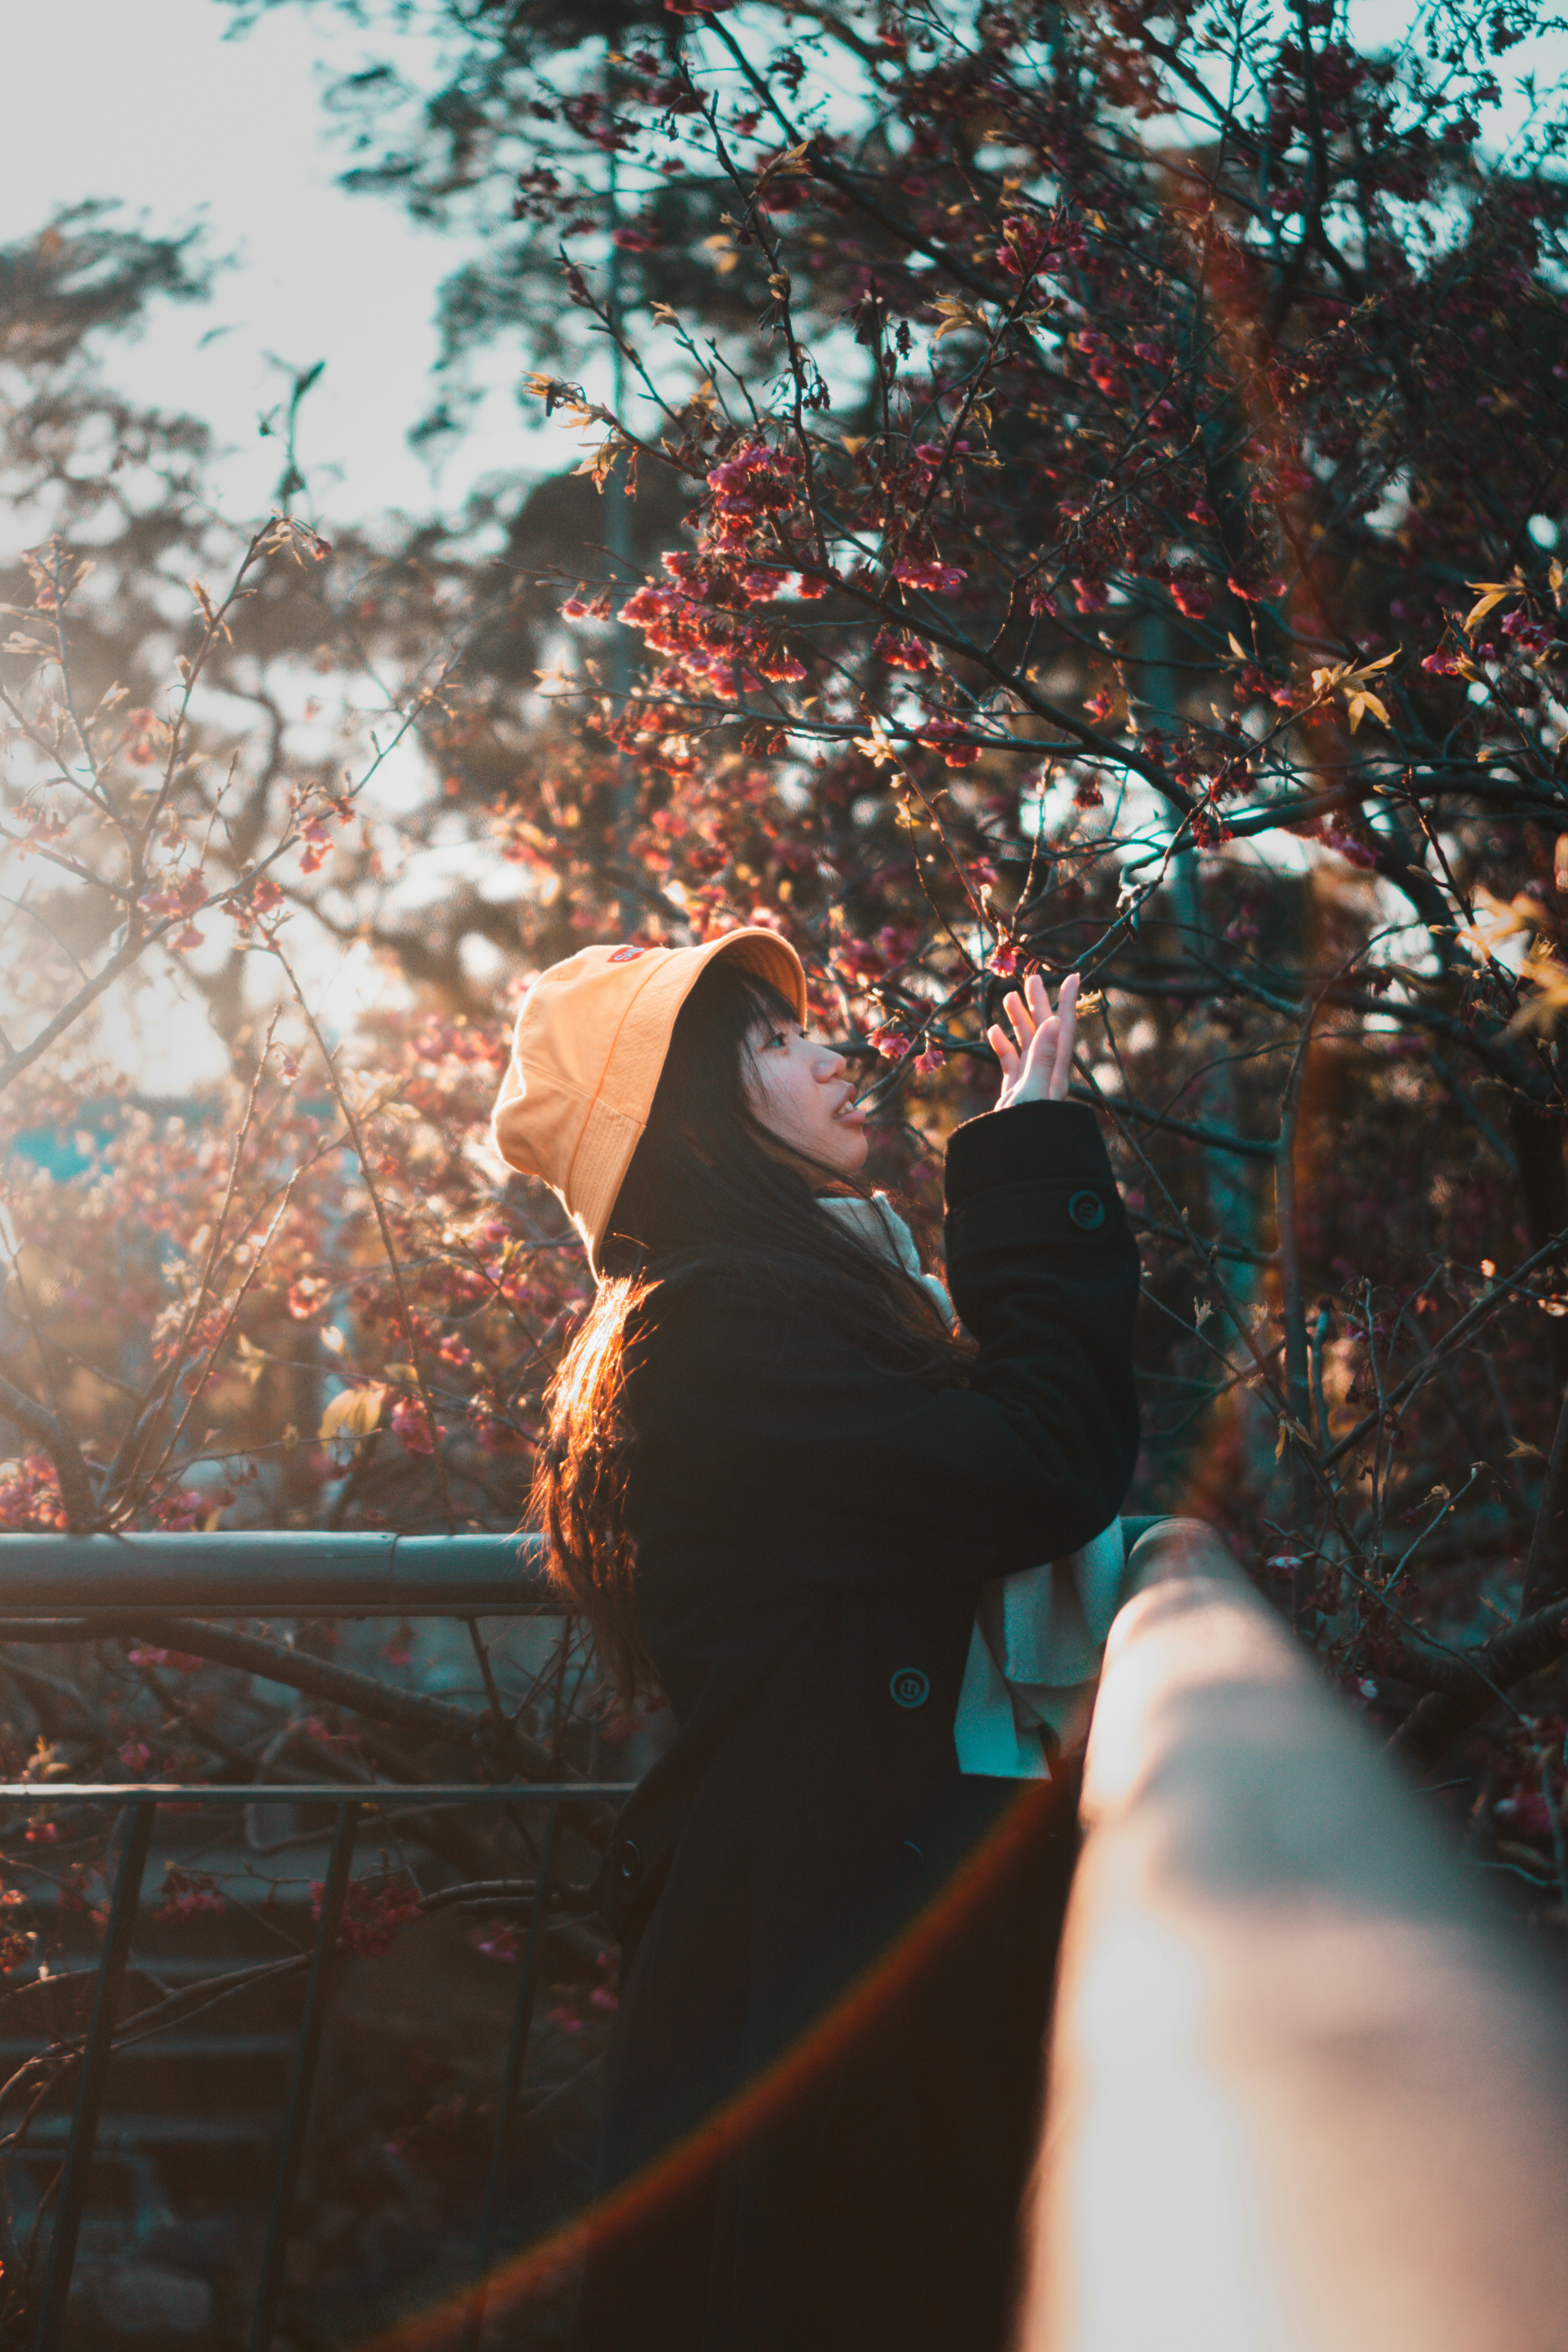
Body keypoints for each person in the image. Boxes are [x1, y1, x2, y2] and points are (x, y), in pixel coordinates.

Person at [490, 929, 1141, 2352]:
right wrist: (1028, 1170)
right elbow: (1037, 1462)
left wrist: (1021, 1162)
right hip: (823, 1942)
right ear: (689, 1119)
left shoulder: (776, 1298)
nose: (834, 1053)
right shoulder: (714, 1332)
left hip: (823, 1914)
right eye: (776, 1044)